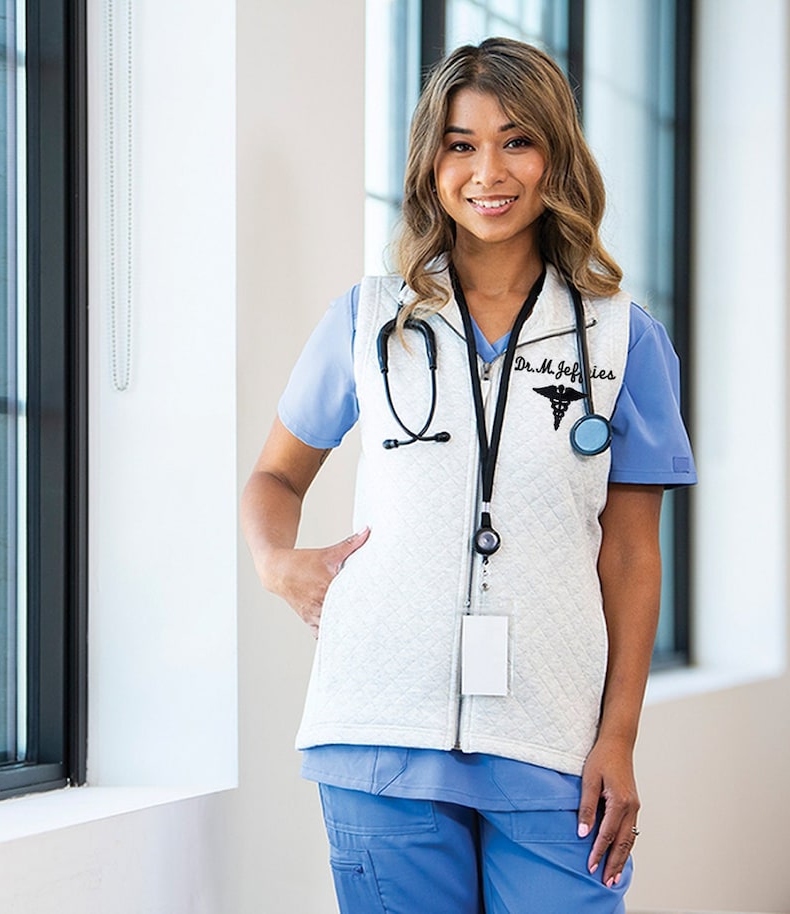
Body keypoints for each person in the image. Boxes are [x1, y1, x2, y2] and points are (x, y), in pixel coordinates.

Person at [240, 37, 696, 914]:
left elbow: (633, 557)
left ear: (556, 153)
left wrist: (621, 737)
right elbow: (274, 477)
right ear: (430, 162)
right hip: (378, 723)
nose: (490, 170)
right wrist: (276, 562)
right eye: (461, 143)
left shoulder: (622, 337)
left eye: (517, 140)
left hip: (551, 733)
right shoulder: (369, 321)